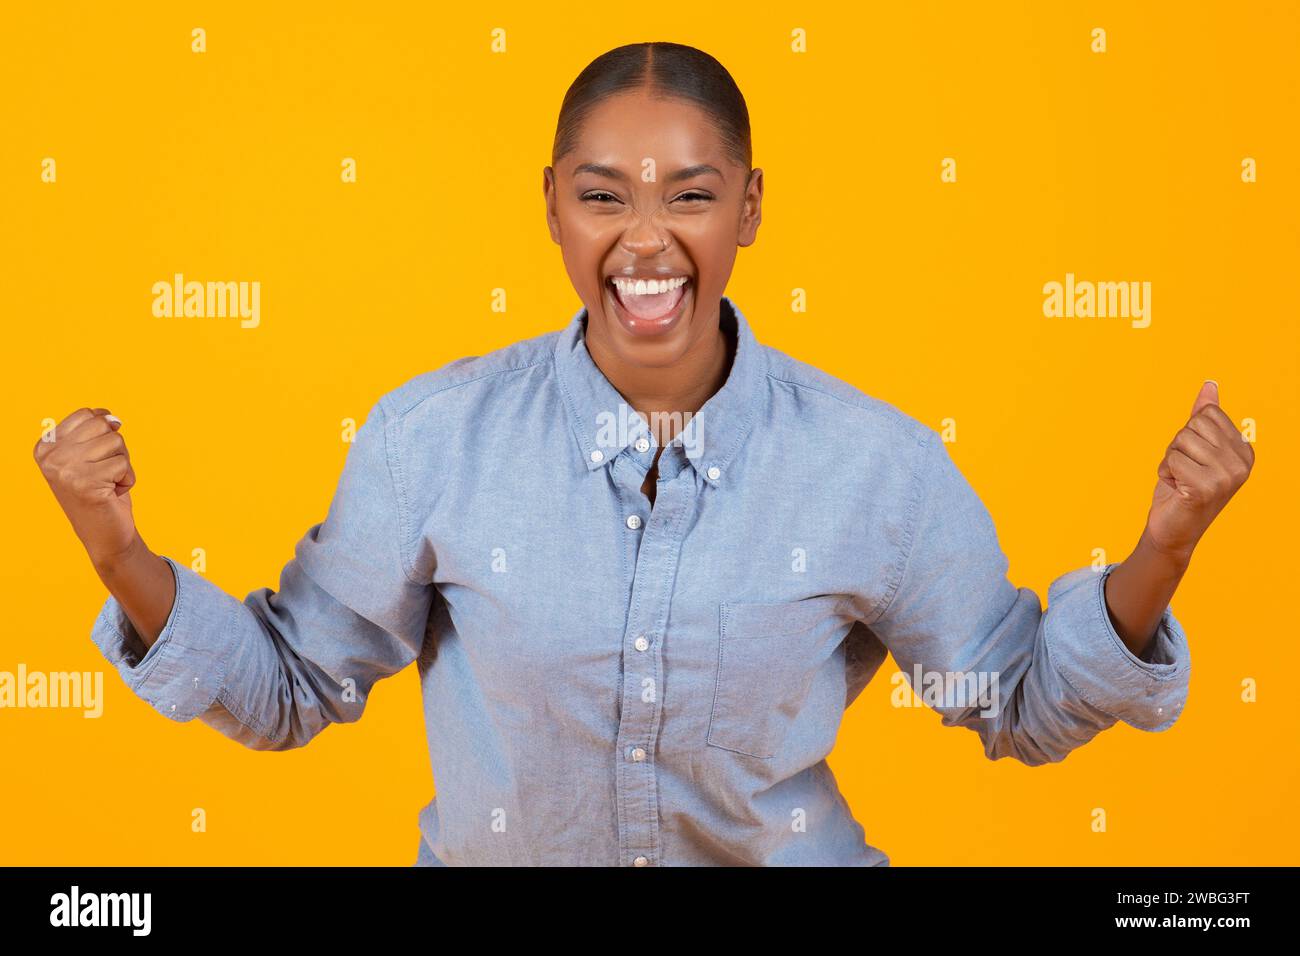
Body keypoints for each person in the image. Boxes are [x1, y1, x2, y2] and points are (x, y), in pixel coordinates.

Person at [36, 42, 1253, 867]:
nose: (647, 241)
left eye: (692, 195)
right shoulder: (430, 438)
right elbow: (295, 685)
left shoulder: (873, 466)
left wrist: (1164, 542)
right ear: (554, 204)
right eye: (605, 196)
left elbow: (1021, 701)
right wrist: (118, 548)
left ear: (751, 208)